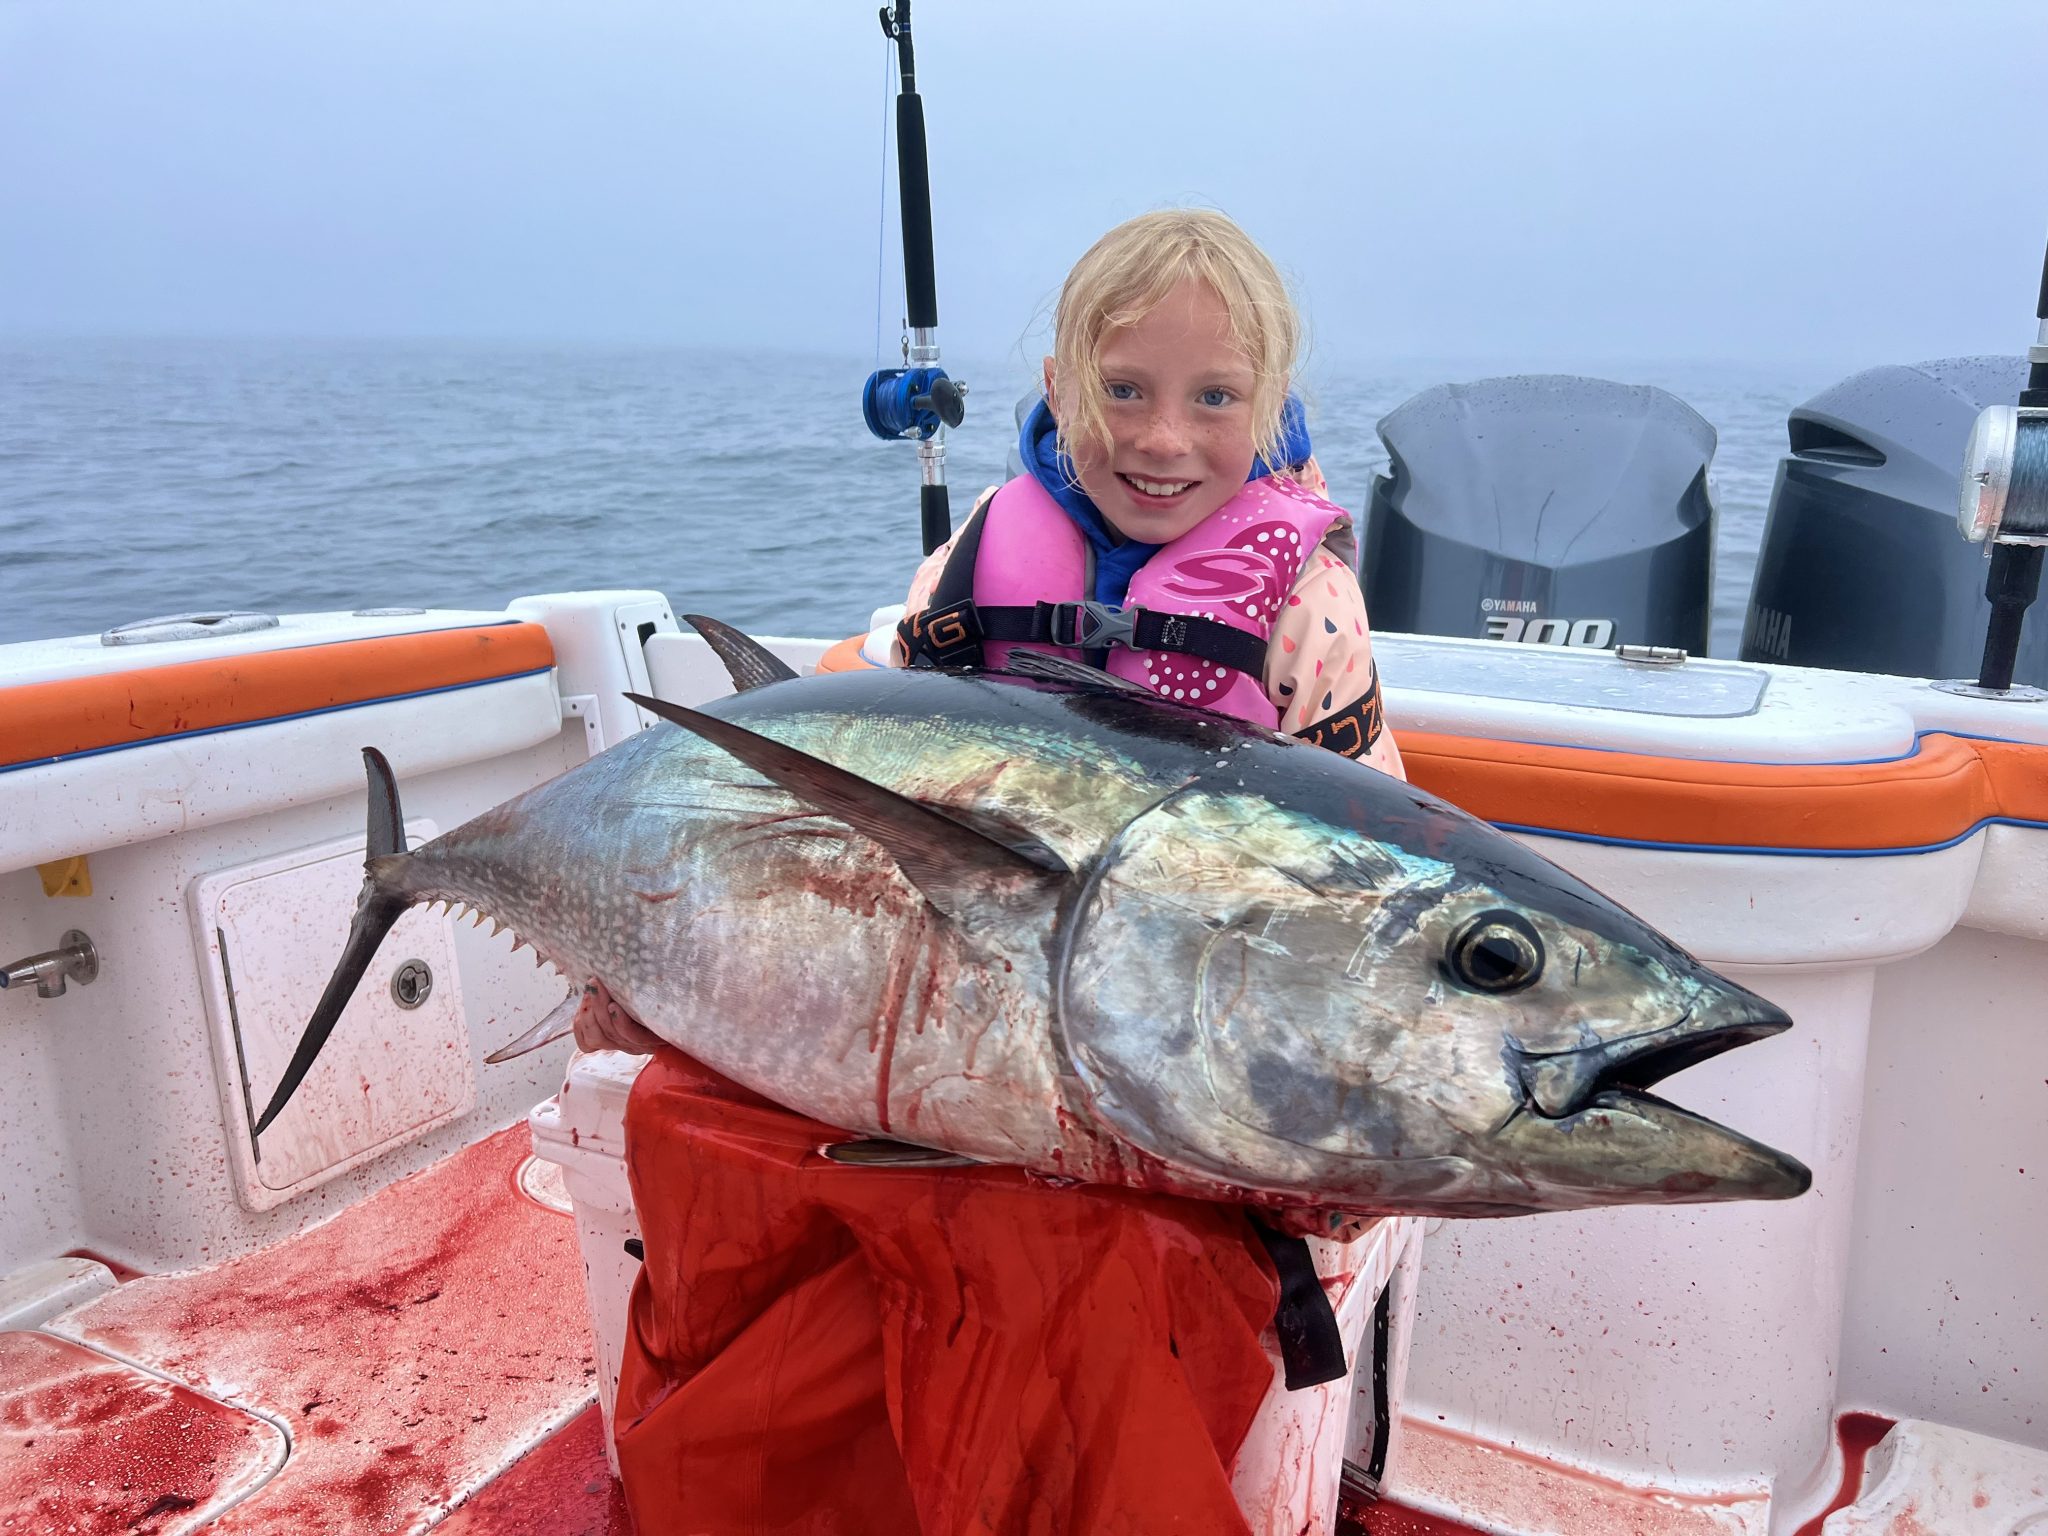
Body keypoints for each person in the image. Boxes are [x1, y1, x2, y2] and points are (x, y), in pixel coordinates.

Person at [893, 206, 1404, 779]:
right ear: (1059, 391)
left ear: (1270, 407)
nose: (1165, 441)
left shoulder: (1311, 599)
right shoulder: (965, 560)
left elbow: (1360, 823)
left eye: (1215, 397)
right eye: (1122, 390)